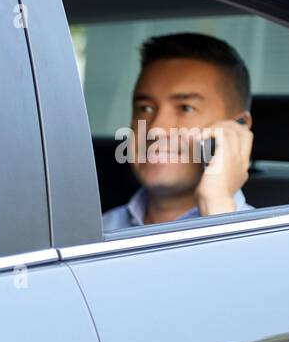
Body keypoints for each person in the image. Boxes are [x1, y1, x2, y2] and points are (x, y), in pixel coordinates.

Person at [103, 32, 255, 229]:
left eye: (186, 108)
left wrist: (217, 204)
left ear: (238, 127)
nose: (155, 129)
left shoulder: (276, 245)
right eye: (145, 108)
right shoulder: (94, 234)